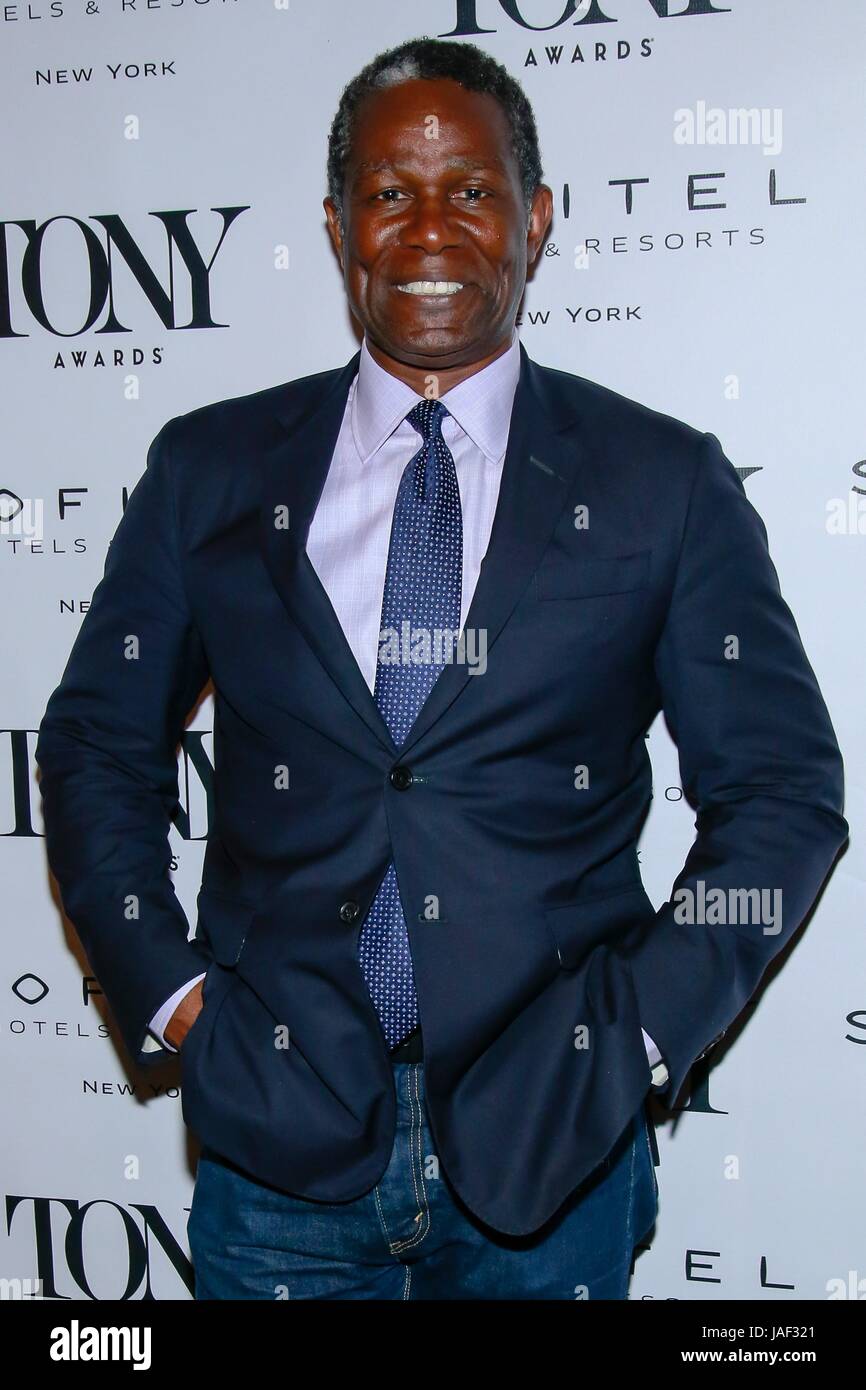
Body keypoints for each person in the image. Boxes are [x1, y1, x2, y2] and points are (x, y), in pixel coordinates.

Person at [35, 37, 848, 1300]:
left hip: (554, 1148)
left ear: (535, 217)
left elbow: (782, 794)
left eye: (469, 191)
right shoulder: (212, 469)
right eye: (387, 191)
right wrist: (178, 996)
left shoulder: (659, 482)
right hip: (275, 1142)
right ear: (335, 223)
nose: (428, 229)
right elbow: (94, 743)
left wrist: (632, 1033)